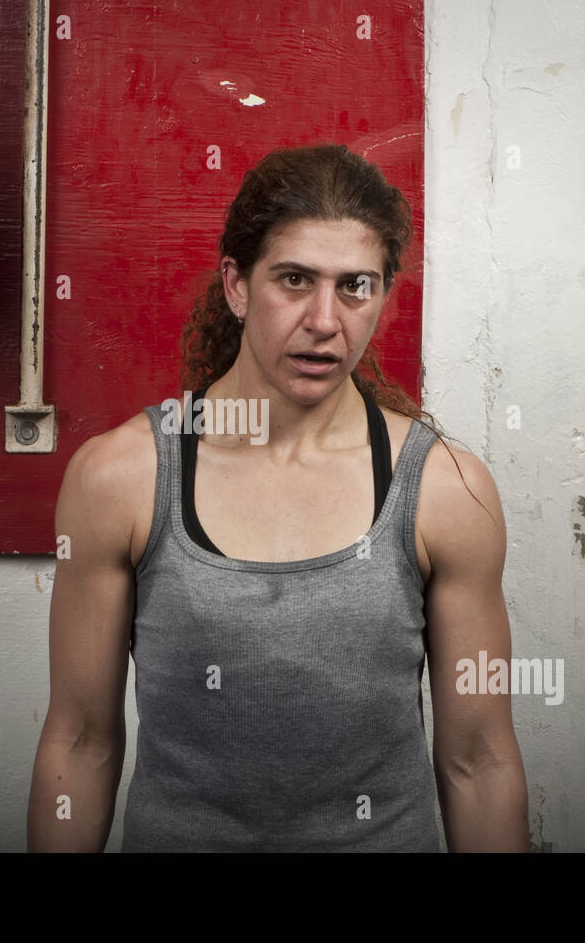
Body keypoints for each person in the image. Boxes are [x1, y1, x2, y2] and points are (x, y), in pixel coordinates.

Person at [28, 144, 528, 852]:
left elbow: (479, 759)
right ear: (236, 285)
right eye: (294, 280)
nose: (326, 319)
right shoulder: (121, 479)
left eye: (355, 285)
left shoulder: (447, 490)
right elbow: (80, 742)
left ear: (383, 295)